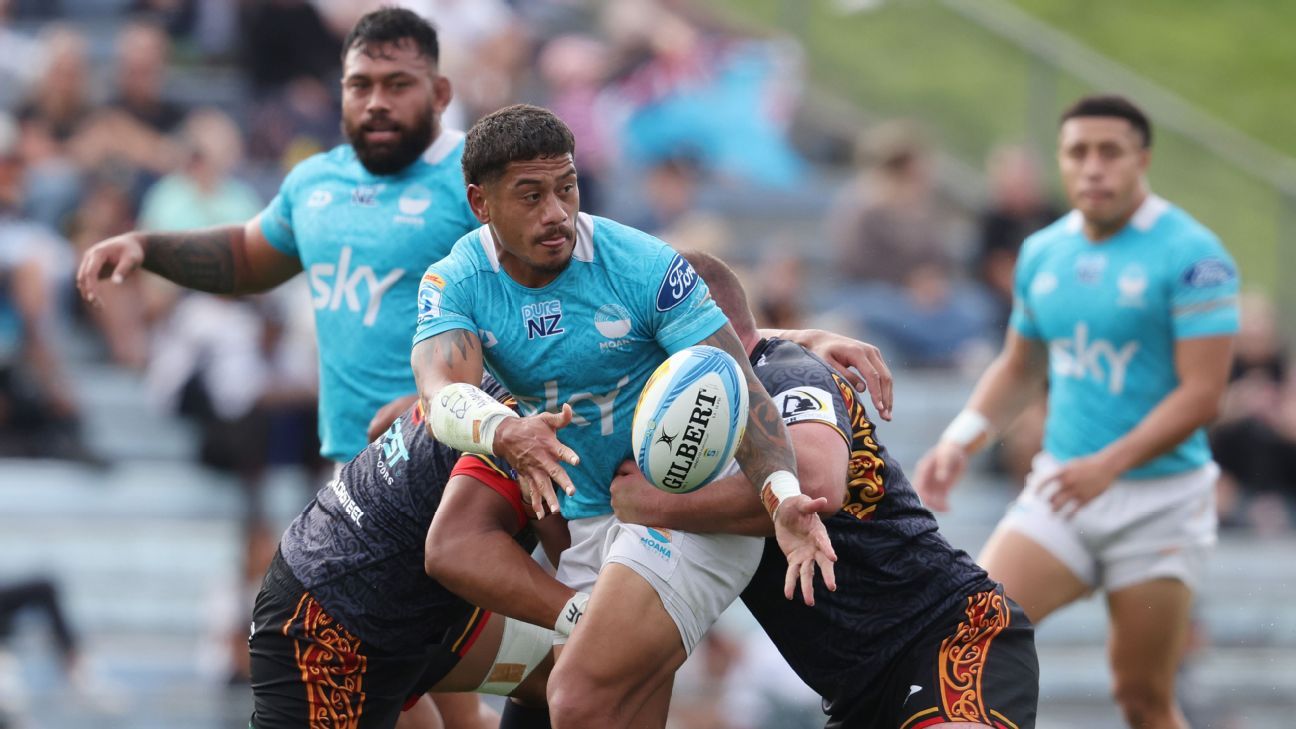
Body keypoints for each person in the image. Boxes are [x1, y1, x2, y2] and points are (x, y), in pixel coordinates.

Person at [76, 8, 489, 726]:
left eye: (398, 84)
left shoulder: (474, 183)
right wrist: (150, 246)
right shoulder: (314, 183)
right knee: (407, 692)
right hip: (357, 473)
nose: (376, 101)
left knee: (430, 680)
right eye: (360, 84)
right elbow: (246, 257)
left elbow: (539, 297)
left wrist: (449, 401)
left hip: (451, 470)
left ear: (441, 91)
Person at [411, 103, 840, 728]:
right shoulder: (457, 282)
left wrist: (779, 495)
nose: (556, 213)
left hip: (683, 509)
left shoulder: (641, 264)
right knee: (590, 708)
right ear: (481, 203)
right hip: (591, 524)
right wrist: (504, 430)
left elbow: (740, 385)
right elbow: (440, 392)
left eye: (566, 188)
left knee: (576, 695)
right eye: (530, 196)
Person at [607, 251, 1040, 729]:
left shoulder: (784, 373)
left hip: (946, 635)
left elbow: (814, 487)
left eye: (647, 331)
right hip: (858, 693)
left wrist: (656, 504)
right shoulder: (690, 406)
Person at [913, 95, 1238, 729]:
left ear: (1142, 159)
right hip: (1063, 490)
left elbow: (1204, 396)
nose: (1093, 167)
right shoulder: (1042, 252)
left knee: (1142, 697)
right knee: (969, 636)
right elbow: (1020, 366)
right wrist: (960, 440)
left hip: (1159, 504)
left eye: (1110, 152)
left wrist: (1107, 466)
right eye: (1077, 152)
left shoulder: (1193, 256)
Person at [249, 379, 572, 729]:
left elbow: (384, 421)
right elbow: (451, 550)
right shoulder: (527, 417)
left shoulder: (514, 381)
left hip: (400, 605)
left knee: (564, 672)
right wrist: (580, 613)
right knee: (583, 661)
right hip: (332, 621)